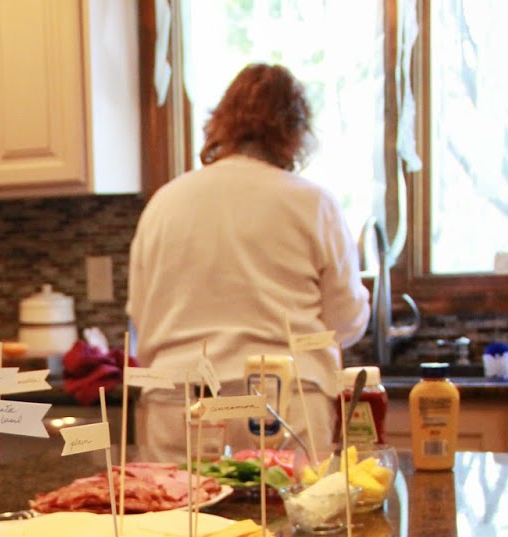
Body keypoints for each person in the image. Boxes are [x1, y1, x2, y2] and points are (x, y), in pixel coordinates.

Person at [126, 63, 370, 461]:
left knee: (176, 522)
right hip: (282, 401)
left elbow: (142, 317)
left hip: (179, 402)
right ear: (295, 133)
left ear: (220, 122)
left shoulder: (164, 203)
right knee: (287, 521)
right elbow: (344, 320)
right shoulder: (312, 203)